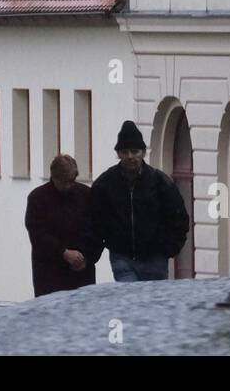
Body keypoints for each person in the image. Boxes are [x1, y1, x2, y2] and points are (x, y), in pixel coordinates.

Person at [83, 120, 189, 282]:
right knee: (130, 300)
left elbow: (178, 217)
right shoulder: (105, 184)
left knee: (153, 304)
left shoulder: (160, 182)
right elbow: (94, 220)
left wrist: (169, 248)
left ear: (143, 152)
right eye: (125, 152)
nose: (130, 156)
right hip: (122, 257)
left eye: (134, 151)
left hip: (155, 257)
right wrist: (92, 251)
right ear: (118, 154)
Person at [24, 154, 97, 296]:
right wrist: (63, 252)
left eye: (72, 181)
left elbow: (94, 229)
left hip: (81, 271)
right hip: (49, 273)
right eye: (64, 182)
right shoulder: (37, 198)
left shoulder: (86, 195)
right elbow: (37, 233)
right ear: (54, 177)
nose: (69, 186)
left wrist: (86, 257)